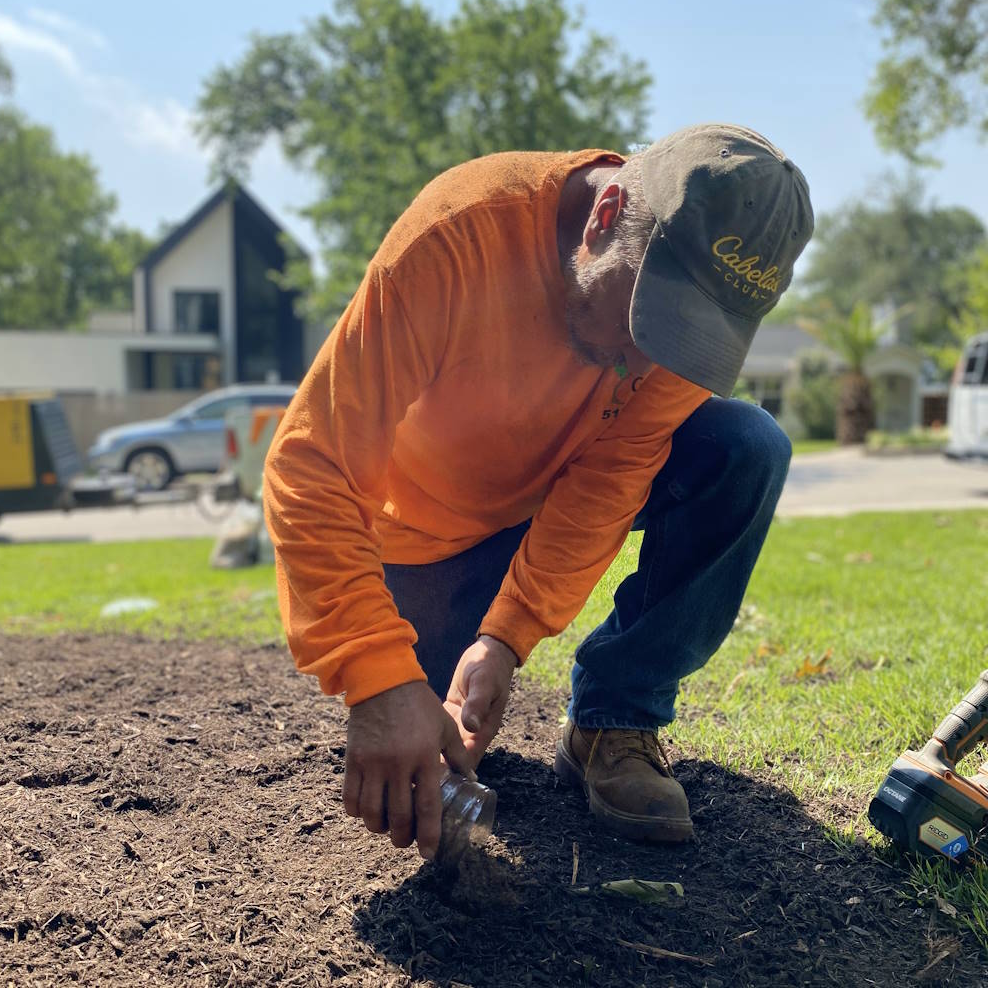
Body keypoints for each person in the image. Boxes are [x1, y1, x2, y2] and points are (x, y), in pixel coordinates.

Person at [263, 123, 814, 860]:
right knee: (415, 727)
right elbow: (314, 463)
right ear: (606, 214)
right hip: (428, 539)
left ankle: (614, 717)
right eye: (649, 318)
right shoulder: (459, 235)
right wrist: (373, 672)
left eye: (688, 337)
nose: (645, 361)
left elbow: (610, 479)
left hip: (539, 504)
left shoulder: (681, 337)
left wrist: (507, 636)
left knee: (746, 447)